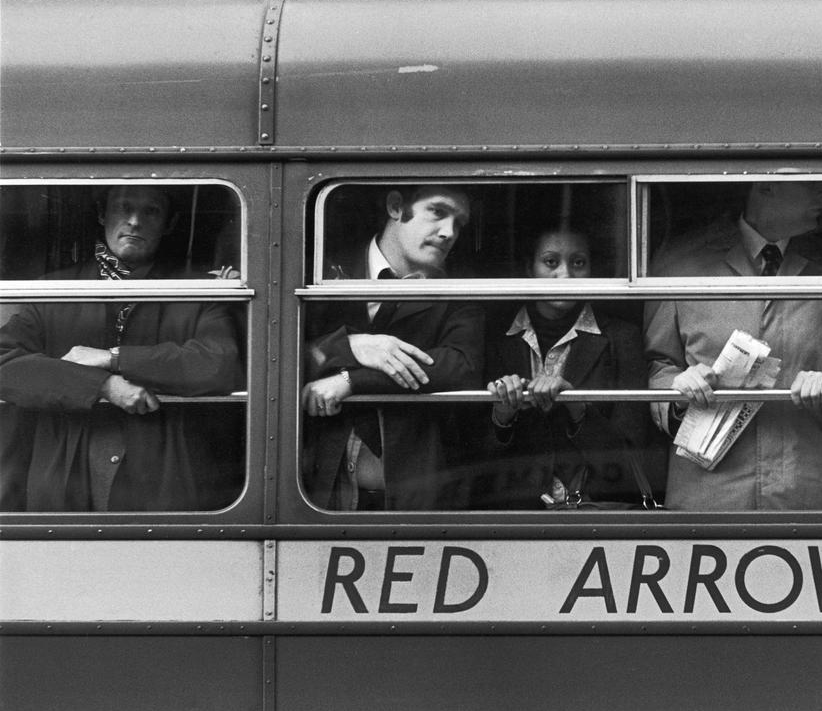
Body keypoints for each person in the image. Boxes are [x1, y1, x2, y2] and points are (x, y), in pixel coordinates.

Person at [644, 180, 822, 510]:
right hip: (710, 494)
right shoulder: (681, 264)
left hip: (810, 492)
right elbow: (658, 364)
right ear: (766, 185)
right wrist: (676, 389)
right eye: (812, 182)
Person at [0, 185, 244, 511]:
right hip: (66, 472)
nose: (134, 221)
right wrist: (103, 385)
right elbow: (5, 364)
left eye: (151, 211)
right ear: (103, 214)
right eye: (123, 207)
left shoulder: (199, 289)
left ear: (169, 223)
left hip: (162, 472)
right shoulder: (53, 289)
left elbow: (219, 362)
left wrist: (112, 359)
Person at [301, 185, 483, 511]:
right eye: (439, 212)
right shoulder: (321, 268)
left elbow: (461, 365)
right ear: (396, 206)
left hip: (415, 492)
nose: (449, 232)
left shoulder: (461, 287)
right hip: (324, 489)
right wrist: (351, 346)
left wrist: (350, 380)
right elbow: (282, 350)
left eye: (460, 223)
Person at [482, 225, 647, 508]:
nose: (565, 275)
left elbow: (635, 462)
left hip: (597, 515)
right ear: (528, 268)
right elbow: (469, 458)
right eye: (550, 262)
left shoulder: (622, 337)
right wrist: (502, 416)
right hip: (513, 520)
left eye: (578, 263)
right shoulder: (496, 337)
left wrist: (576, 406)